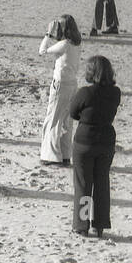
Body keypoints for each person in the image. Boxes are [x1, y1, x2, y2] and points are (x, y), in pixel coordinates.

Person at [69, 55, 120, 239]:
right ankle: (99, 225)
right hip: (106, 142)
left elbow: (73, 112)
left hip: (85, 142)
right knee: (102, 183)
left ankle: (82, 225)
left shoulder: (85, 93)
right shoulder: (115, 93)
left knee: (83, 184)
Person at [38, 15, 82, 164]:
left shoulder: (64, 44)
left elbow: (42, 51)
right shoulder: (76, 43)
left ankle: (50, 156)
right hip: (72, 84)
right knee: (66, 122)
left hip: (61, 85)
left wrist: (48, 34)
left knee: (52, 120)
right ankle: (65, 155)